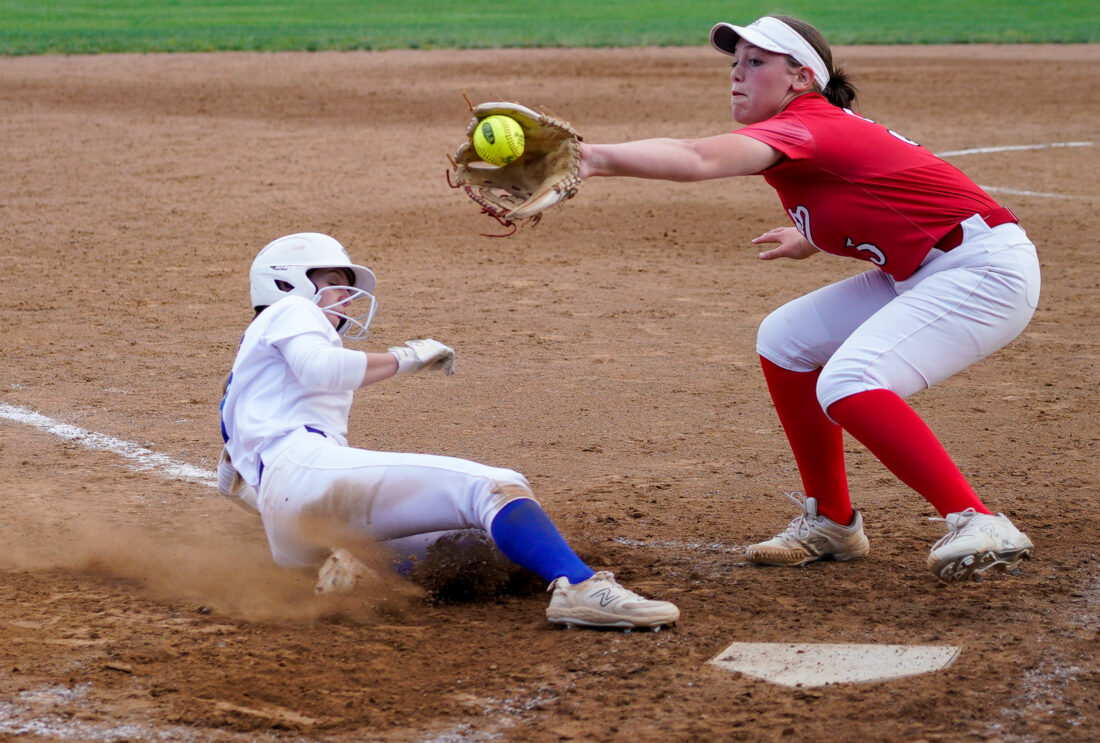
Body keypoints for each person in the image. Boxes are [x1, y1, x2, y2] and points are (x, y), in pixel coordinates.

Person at [576, 15, 1039, 581]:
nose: (736, 76)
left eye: (755, 62)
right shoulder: (810, 127)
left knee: (850, 381)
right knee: (786, 339)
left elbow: (697, 158)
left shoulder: (806, 124)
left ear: (800, 78)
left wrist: (593, 157)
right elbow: (879, 191)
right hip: (931, 269)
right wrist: (810, 237)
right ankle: (833, 523)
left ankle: (977, 519)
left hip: (984, 273)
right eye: (734, 63)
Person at [216, 232, 679, 629]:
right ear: (286, 281)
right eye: (334, 284)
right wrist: (407, 357)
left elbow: (230, 481)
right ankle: (580, 588)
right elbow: (321, 370)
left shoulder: (251, 375)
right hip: (305, 471)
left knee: (465, 551)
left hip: (291, 519)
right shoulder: (290, 311)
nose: (347, 298)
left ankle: (363, 565)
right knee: (495, 487)